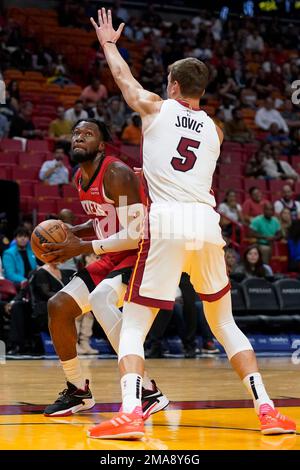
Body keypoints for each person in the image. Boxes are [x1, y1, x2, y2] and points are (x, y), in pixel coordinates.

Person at [83, 9, 295, 438]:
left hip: (166, 222)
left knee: (136, 324)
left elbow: (124, 79)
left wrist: (108, 43)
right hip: (206, 224)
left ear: (174, 85)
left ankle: (130, 411)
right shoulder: (215, 130)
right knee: (224, 323)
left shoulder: (156, 108)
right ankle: (268, 409)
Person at [42, 118, 168, 417]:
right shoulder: (78, 176)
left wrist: (82, 247)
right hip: (112, 255)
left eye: (87, 134)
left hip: (141, 253)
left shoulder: (116, 173)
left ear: (101, 145)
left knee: (101, 299)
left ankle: (147, 389)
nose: (78, 137)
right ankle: (77, 390)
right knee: (58, 306)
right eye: (75, 133)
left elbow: (136, 232)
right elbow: (104, 222)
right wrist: (74, 231)